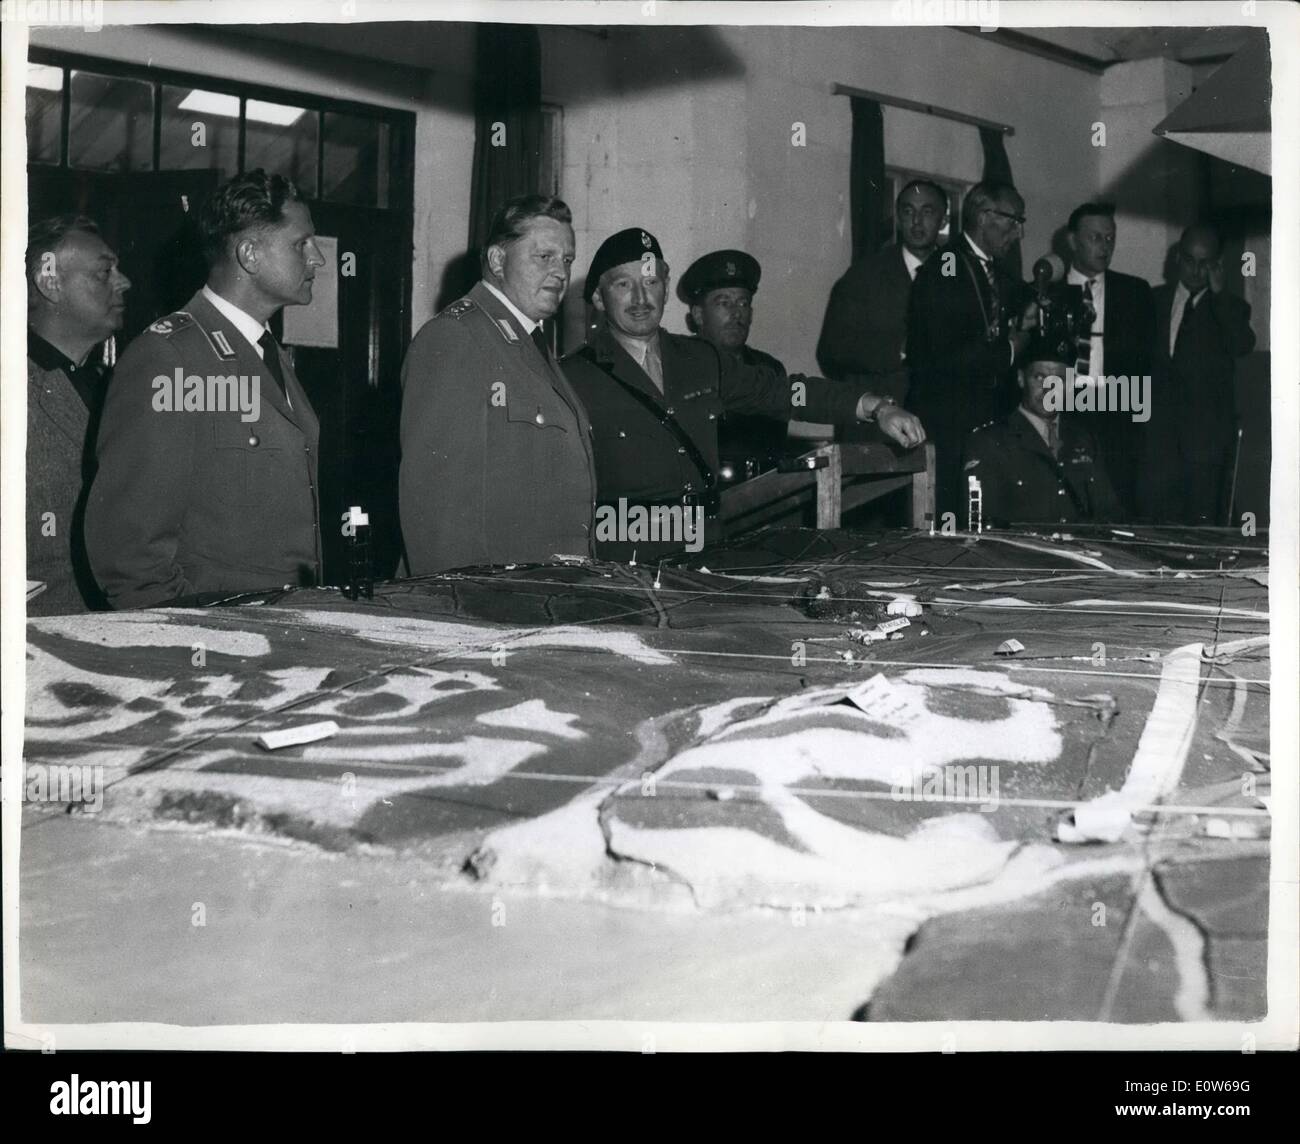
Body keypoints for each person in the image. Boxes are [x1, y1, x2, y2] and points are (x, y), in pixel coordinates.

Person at [562, 226, 925, 561]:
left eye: (651, 281)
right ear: (597, 296)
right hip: (625, 557)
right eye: (623, 285)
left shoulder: (700, 359)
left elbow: (785, 392)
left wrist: (875, 407)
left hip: (706, 549)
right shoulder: (572, 376)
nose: (640, 298)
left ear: (665, 285)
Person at [85, 169, 326, 608]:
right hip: (218, 644)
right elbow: (130, 553)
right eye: (300, 244)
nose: (318, 259)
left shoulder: (264, 351)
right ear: (250, 255)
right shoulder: (171, 356)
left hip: (284, 629)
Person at [399, 195, 597, 573]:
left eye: (567, 260)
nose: (560, 272)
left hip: (549, 591)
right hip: (495, 601)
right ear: (497, 260)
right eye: (545, 257)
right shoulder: (457, 338)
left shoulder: (528, 343)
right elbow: (438, 512)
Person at [906, 180, 1034, 520]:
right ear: (984, 215)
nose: (1019, 233)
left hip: (981, 429)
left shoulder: (992, 270)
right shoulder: (944, 267)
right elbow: (948, 357)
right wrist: (1010, 348)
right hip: (950, 432)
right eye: (1015, 220)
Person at [26, 216, 131, 614]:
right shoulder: (15, 387)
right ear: (49, 281)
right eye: (105, 272)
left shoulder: (111, 384)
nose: (124, 283)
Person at [1144, 224, 1256, 524]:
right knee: (1158, 525)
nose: (1196, 270)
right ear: (1177, 258)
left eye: (1205, 263)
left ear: (1217, 264)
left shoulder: (1230, 307)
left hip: (1205, 445)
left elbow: (1242, 344)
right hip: (1157, 440)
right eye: (1190, 260)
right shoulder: (1152, 300)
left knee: (1201, 526)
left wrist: (1219, 294)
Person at [963, 337, 1120, 526]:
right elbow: (978, 526)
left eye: (1059, 379)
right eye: (1039, 377)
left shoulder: (1083, 440)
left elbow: (1110, 514)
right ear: (1021, 379)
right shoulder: (988, 442)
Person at [817, 178, 948, 405]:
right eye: (908, 212)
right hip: (877, 421)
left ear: (943, 219)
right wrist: (900, 351)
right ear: (898, 218)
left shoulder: (957, 273)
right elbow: (830, 354)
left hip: (940, 418)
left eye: (927, 212)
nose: (917, 222)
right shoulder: (863, 277)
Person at [1063, 201, 1156, 518]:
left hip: (1117, 408)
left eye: (1109, 238)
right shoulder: (1047, 290)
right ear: (1072, 240)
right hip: (1064, 405)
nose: (1105, 246)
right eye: (1094, 237)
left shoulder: (1135, 292)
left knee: (1118, 501)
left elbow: (1148, 363)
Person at [677, 248, 786, 478]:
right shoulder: (679, 363)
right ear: (698, 315)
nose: (737, 314)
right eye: (723, 303)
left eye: (743, 303)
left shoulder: (769, 369)